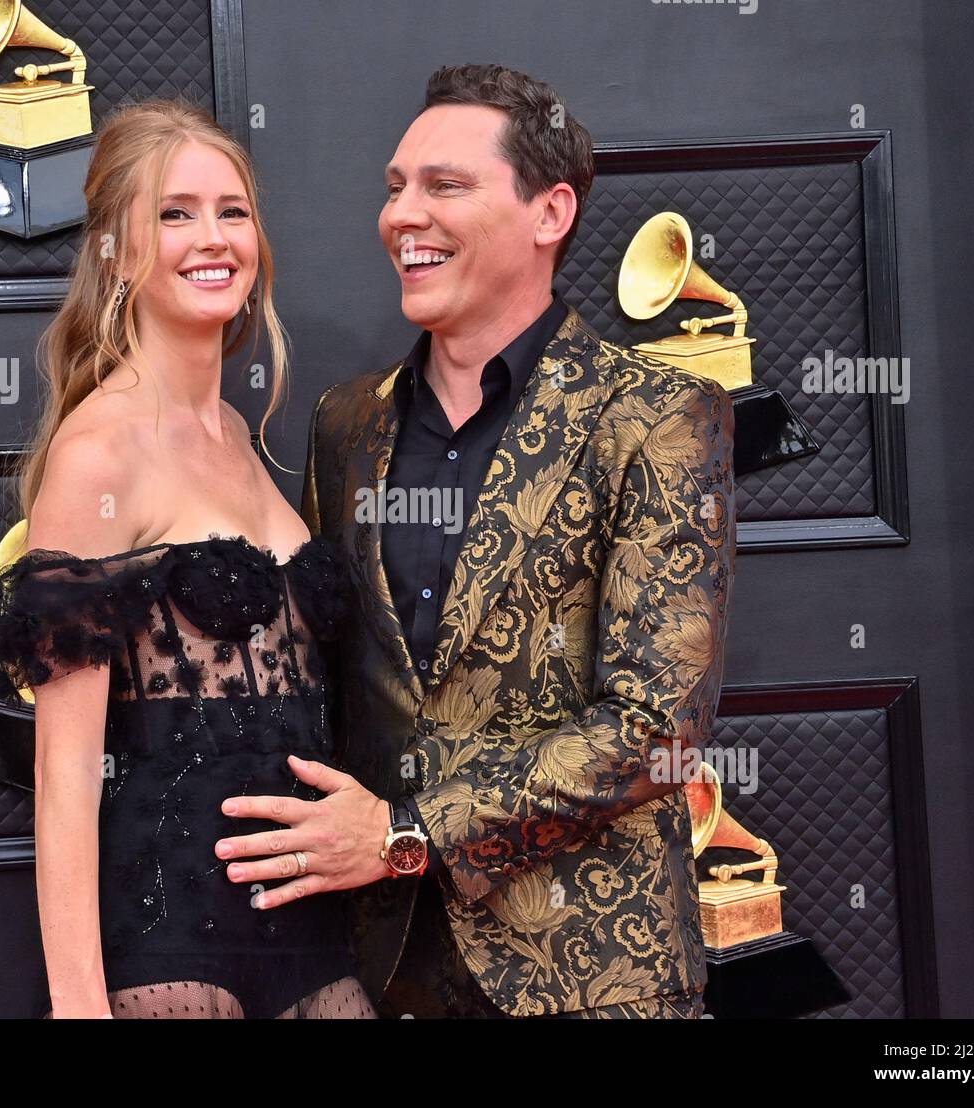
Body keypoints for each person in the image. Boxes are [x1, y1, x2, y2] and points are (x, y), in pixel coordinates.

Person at [216, 64, 735, 1018]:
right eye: (395, 187)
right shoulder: (346, 424)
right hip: (374, 970)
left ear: (550, 213)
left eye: (445, 185)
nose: (402, 215)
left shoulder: (655, 413)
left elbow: (660, 729)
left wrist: (408, 835)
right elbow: (329, 675)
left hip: (590, 976)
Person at [0, 99, 376, 1019]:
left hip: (314, 937)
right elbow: (66, 772)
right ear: (117, 252)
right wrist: (79, 1008)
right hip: (169, 947)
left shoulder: (245, 438)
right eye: (174, 212)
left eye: (232, 210)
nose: (213, 236)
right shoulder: (100, 454)